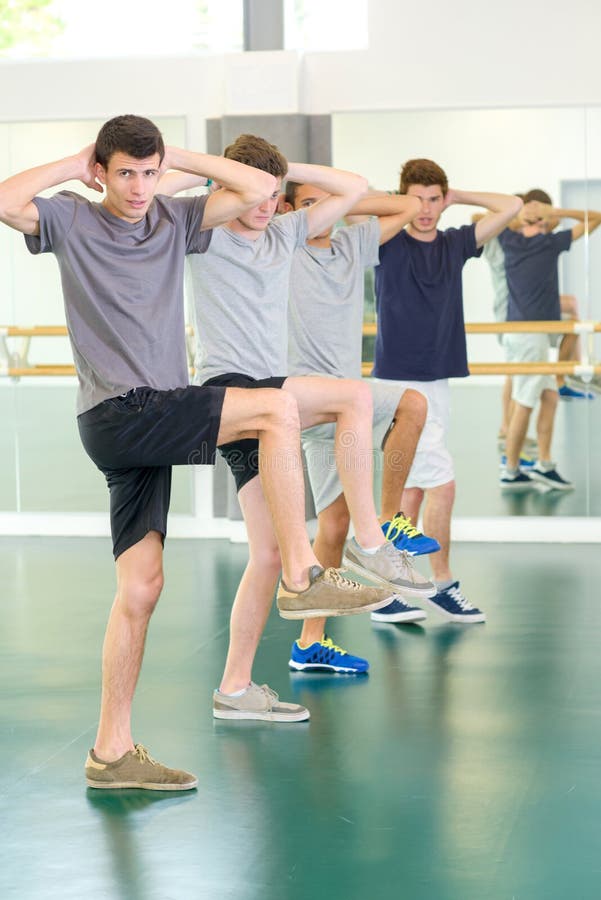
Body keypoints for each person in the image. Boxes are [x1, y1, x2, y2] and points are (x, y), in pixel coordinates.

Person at [0, 115, 394, 791]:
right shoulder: (72, 221)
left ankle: (111, 752)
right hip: (121, 408)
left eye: (149, 173)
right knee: (275, 408)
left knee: (141, 588)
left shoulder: (176, 220)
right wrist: (80, 163)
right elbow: (8, 202)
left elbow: (254, 186)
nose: (138, 186)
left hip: (147, 418)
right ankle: (302, 579)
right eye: (125, 172)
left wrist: (167, 155)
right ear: (104, 170)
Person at [160, 134, 435, 716]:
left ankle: (234, 688)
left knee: (267, 556)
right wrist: (208, 169)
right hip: (232, 394)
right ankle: (370, 542)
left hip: (270, 410)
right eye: (253, 196)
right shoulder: (201, 233)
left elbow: (355, 188)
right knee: (352, 398)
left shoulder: (285, 232)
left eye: (273, 195)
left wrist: (280, 170)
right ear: (228, 190)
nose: (265, 207)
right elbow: (162, 191)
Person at [281, 181, 443, 675]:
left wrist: (341, 199)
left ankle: (388, 524)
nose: (323, 213)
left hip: (353, 402)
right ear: (289, 211)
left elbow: (411, 205)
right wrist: (318, 207)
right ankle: (309, 643)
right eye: (309, 205)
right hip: (310, 406)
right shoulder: (283, 243)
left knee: (413, 405)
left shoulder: (354, 244)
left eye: (330, 204)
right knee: (331, 527)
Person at [372, 158, 524, 622]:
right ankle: (441, 582)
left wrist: (460, 197)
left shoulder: (456, 242)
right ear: (402, 198)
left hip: (436, 380)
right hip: (399, 380)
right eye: (417, 198)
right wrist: (399, 205)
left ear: (444, 198)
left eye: (434, 198)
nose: (426, 208)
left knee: (413, 491)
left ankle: (388, 592)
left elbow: (512, 205)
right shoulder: (386, 240)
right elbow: (353, 208)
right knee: (441, 485)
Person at [499, 190, 601, 490]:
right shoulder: (540, 243)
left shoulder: (515, 239)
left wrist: (538, 214)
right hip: (528, 336)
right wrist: (547, 212)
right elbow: (595, 219)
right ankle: (512, 469)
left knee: (549, 397)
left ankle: (544, 464)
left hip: (533, 334)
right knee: (524, 403)